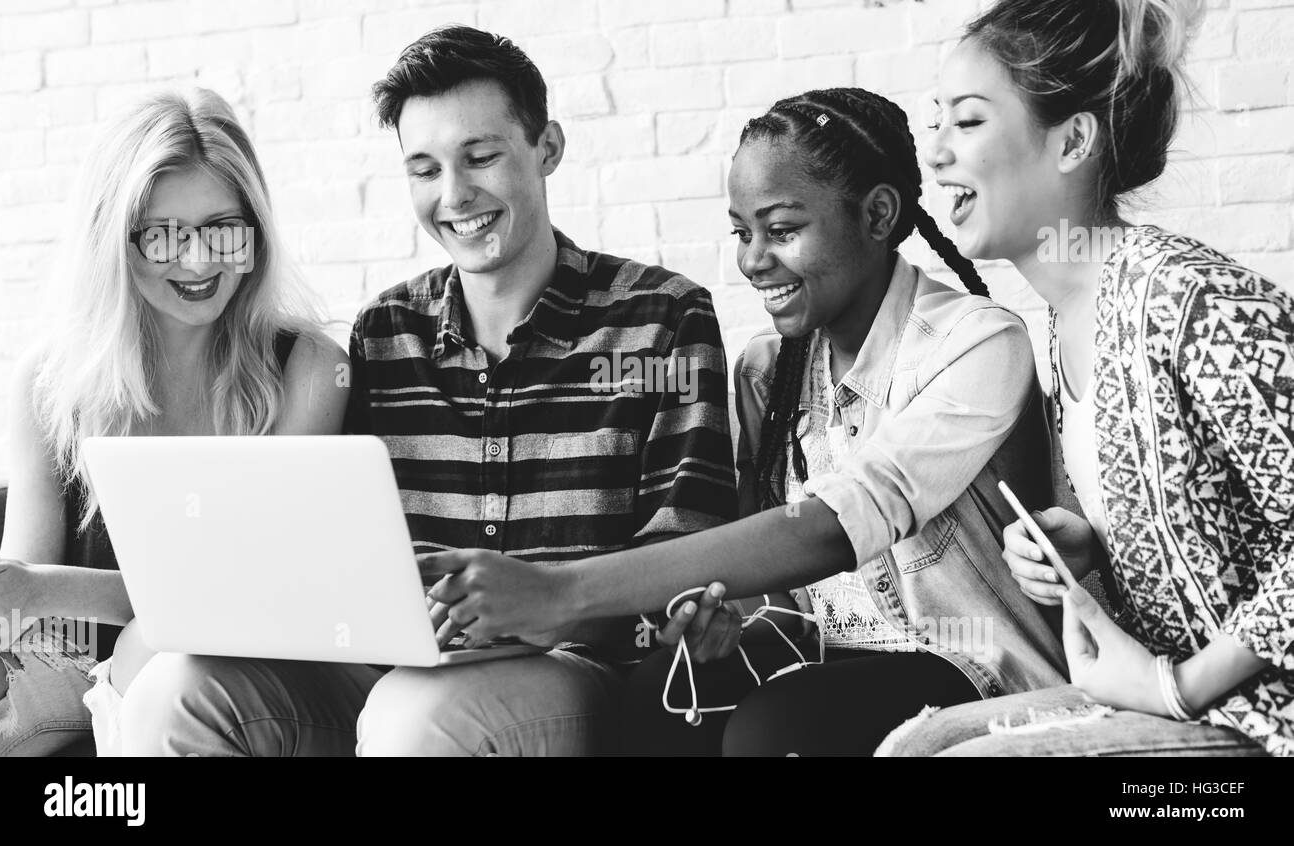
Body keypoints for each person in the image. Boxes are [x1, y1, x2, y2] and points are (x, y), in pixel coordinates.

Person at [118, 25, 737, 757]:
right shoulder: (385, 332)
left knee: (416, 716)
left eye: (481, 157)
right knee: (172, 693)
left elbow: (688, 548)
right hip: (394, 672)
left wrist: (552, 606)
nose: (455, 195)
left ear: (548, 148)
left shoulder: (663, 316)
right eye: (425, 169)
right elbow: (341, 548)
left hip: (576, 668)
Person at [423, 88, 1066, 756]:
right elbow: (783, 596)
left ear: (877, 214)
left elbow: (832, 527)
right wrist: (724, 617)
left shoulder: (977, 342)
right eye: (742, 232)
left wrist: (562, 593)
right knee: (660, 695)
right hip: (837, 655)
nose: (753, 259)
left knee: (779, 727)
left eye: (783, 230)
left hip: (982, 669)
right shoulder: (770, 370)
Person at [878, 0, 1291, 757]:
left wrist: (1186, 685)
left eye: (967, 122)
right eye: (938, 120)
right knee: (914, 746)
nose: (933, 153)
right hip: (1176, 700)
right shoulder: (1063, 322)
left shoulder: (1188, 299)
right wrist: (1088, 543)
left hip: (1260, 717)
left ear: (1071, 140)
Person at [0, 88, 352, 757]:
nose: (197, 260)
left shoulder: (309, 371)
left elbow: (240, 602)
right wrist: (19, 603)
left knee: (157, 647)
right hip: (81, 681)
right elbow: (25, 610)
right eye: (162, 235)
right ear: (114, 241)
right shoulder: (49, 384)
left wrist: (40, 591)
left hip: (226, 689)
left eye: (222, 227)